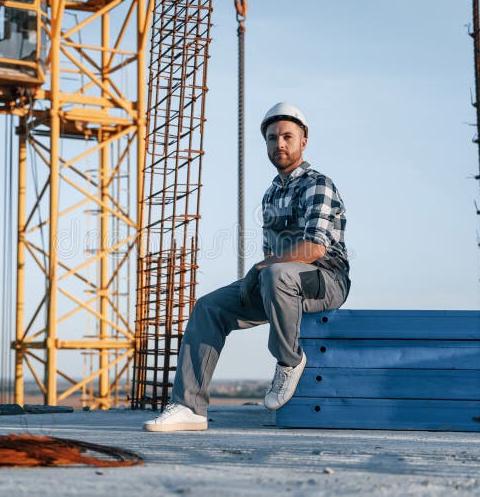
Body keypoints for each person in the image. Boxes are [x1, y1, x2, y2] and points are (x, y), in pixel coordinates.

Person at [144, 102, 350, 432]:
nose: (279, 144)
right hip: (279, 282)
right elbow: (274, 255)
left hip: (325, 279)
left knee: (274, 273)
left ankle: (289, 361)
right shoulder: (271, 194)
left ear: (303, 141)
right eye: (272, 138)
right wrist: (260, 274)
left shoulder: (317, 184)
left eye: (287, 137)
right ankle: (189, 407)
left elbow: (314, 247)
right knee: (209, 307)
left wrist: (263, 268)